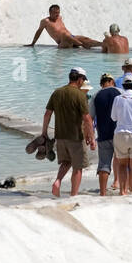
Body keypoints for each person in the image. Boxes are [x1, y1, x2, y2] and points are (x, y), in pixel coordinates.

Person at [44, 68, 95, 197]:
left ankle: (58, 181)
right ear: (79, 79)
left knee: (66, 162)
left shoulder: (57, 92)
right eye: (83, 80)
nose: (83, 82)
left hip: (60, 136)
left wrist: (44, 132)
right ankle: (74, 195)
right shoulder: (79, 95)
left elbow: (47, 114)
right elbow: (87, 118)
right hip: (76, 137)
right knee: (78, 168)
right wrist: (91, 137)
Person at [89, 74, 120, 195]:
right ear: (112, 81)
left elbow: (89, 118)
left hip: (103, 134)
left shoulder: (96, 95)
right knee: (122, 162)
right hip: (119, 133)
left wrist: (91, 136)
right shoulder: (120, 92)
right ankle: (123, 190)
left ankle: (102, 193)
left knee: (104, 164)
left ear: (101, 83)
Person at [30, 5, 100, 49]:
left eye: (58, 12)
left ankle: (102, 44)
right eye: (55, 13)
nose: (57, 15)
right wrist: (33, 43)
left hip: (72, 38)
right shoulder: (45, 21)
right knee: (65, 34)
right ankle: (82, 45)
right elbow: (39, 31)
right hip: (63, 43)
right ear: (50, 12)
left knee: (85, 38)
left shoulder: (59, 18)